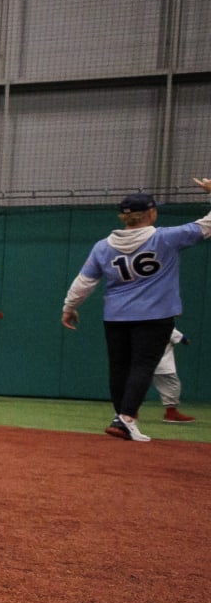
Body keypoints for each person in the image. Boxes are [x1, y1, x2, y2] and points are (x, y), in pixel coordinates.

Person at [62, 183, 211, 442]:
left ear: (123, 217)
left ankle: (120, 417)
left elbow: (84, 282)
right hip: (155, 316)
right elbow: (207, 226)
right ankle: (127, 419)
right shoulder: (166, 237)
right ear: (151, 213)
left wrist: (69, 307)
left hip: (116, 317)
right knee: (143, 366)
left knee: (119, 368)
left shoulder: (103, 246)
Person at [155, 329, 191, 424]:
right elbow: (185, 340)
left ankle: (130, 414)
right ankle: (171, 414)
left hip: (143, 363)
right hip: (163, 364)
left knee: (137, 386)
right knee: (173, 386)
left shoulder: (142, 327)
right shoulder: (166, 327)